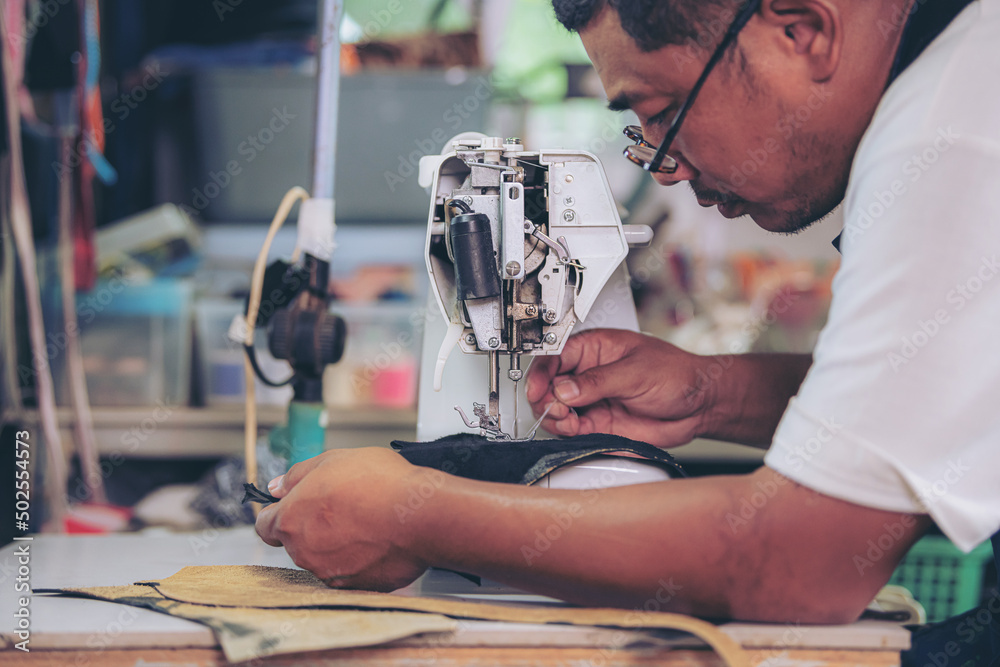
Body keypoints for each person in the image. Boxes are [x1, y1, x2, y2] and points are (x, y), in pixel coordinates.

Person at [257, 0, 1000, 660]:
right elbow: (951, 394)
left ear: (802, 31)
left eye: (662, 110)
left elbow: (798, 566)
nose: (665, 167)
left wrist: (414, 515)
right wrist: (712, 394)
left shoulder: (953, 135)